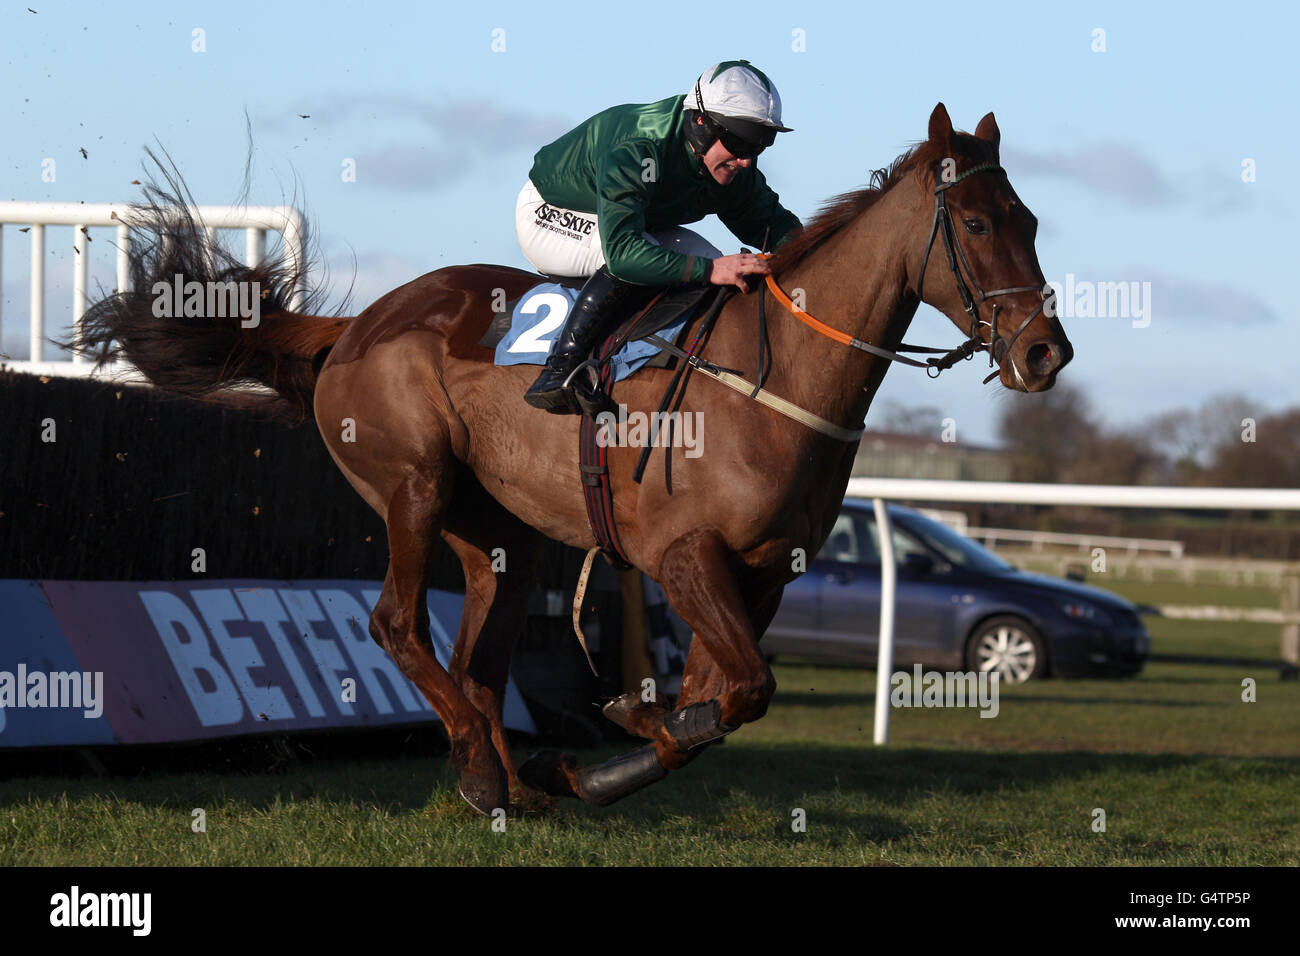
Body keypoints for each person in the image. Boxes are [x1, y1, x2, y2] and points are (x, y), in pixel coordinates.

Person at [516, 60, 803, 413]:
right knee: (680, 263)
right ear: (700, 123)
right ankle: (560, 369)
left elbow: (780, 230)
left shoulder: (731, 165)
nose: (745, 160)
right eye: (738, 142)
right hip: (551, 213)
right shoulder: (639, 147)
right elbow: (622, 252)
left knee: (726, 273)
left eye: (759, 144)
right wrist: (710, 270)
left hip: (634, 223)